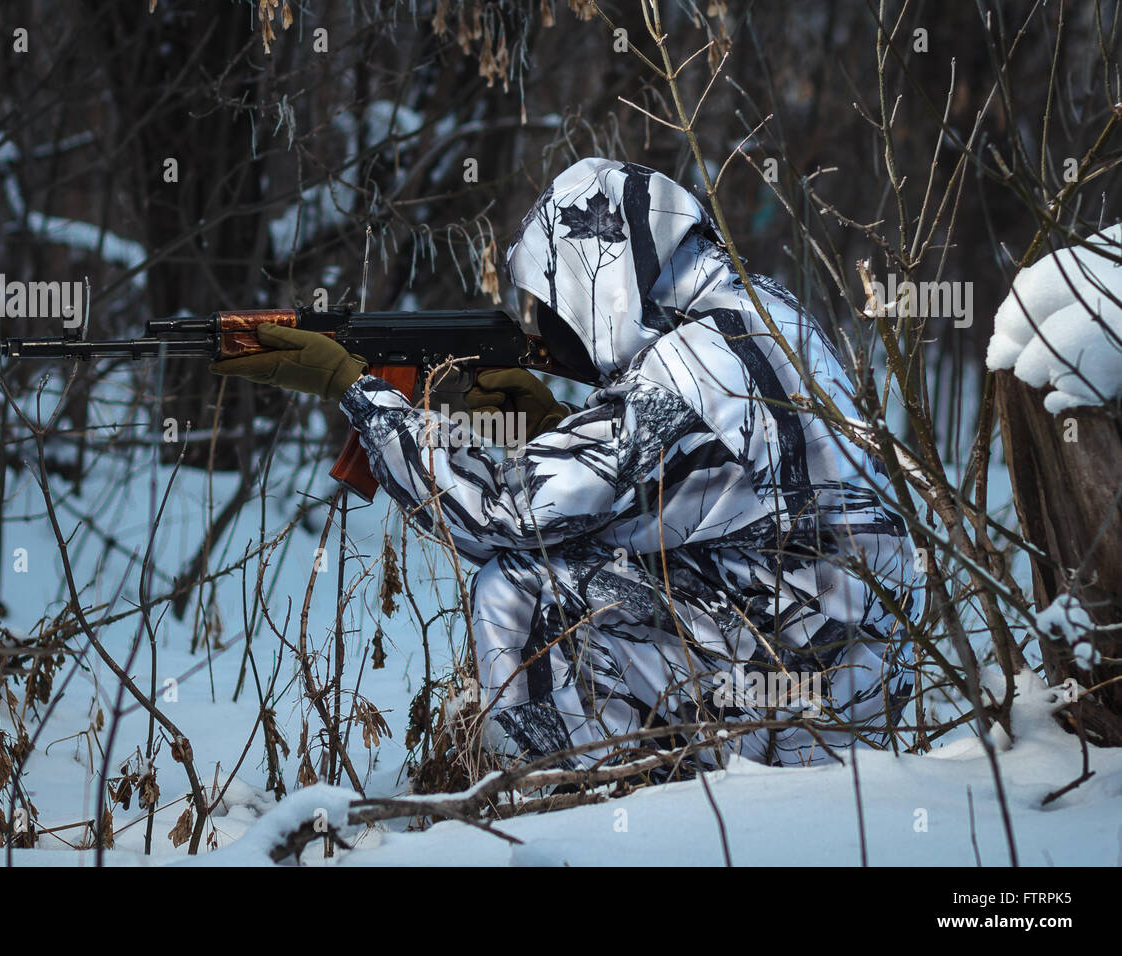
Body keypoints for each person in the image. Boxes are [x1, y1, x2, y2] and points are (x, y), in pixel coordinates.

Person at [211, 157, 915, 772]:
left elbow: (501, 516)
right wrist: (551, 427)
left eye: (557, 297)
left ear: (601, 275)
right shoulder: (765, 316)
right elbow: (693, 497)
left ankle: (586, 800)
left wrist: (357, 393)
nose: (549, 322)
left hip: (796, 713)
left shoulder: (691, 368)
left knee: (518, 584)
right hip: (849, 679)